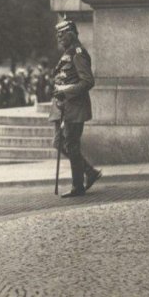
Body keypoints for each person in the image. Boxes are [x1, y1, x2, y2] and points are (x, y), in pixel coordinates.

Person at [50, 16, 102, 197]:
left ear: (71, 34)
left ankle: (78, 186)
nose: (58, 38)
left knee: (71, 144)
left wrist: (66, 90)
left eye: (62, 34)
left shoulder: (78, 53)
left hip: (74, 106)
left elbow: (88, 81)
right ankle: (89, 172)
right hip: (63, 105)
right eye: (58, 34)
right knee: (59, 142)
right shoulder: (68, 53)